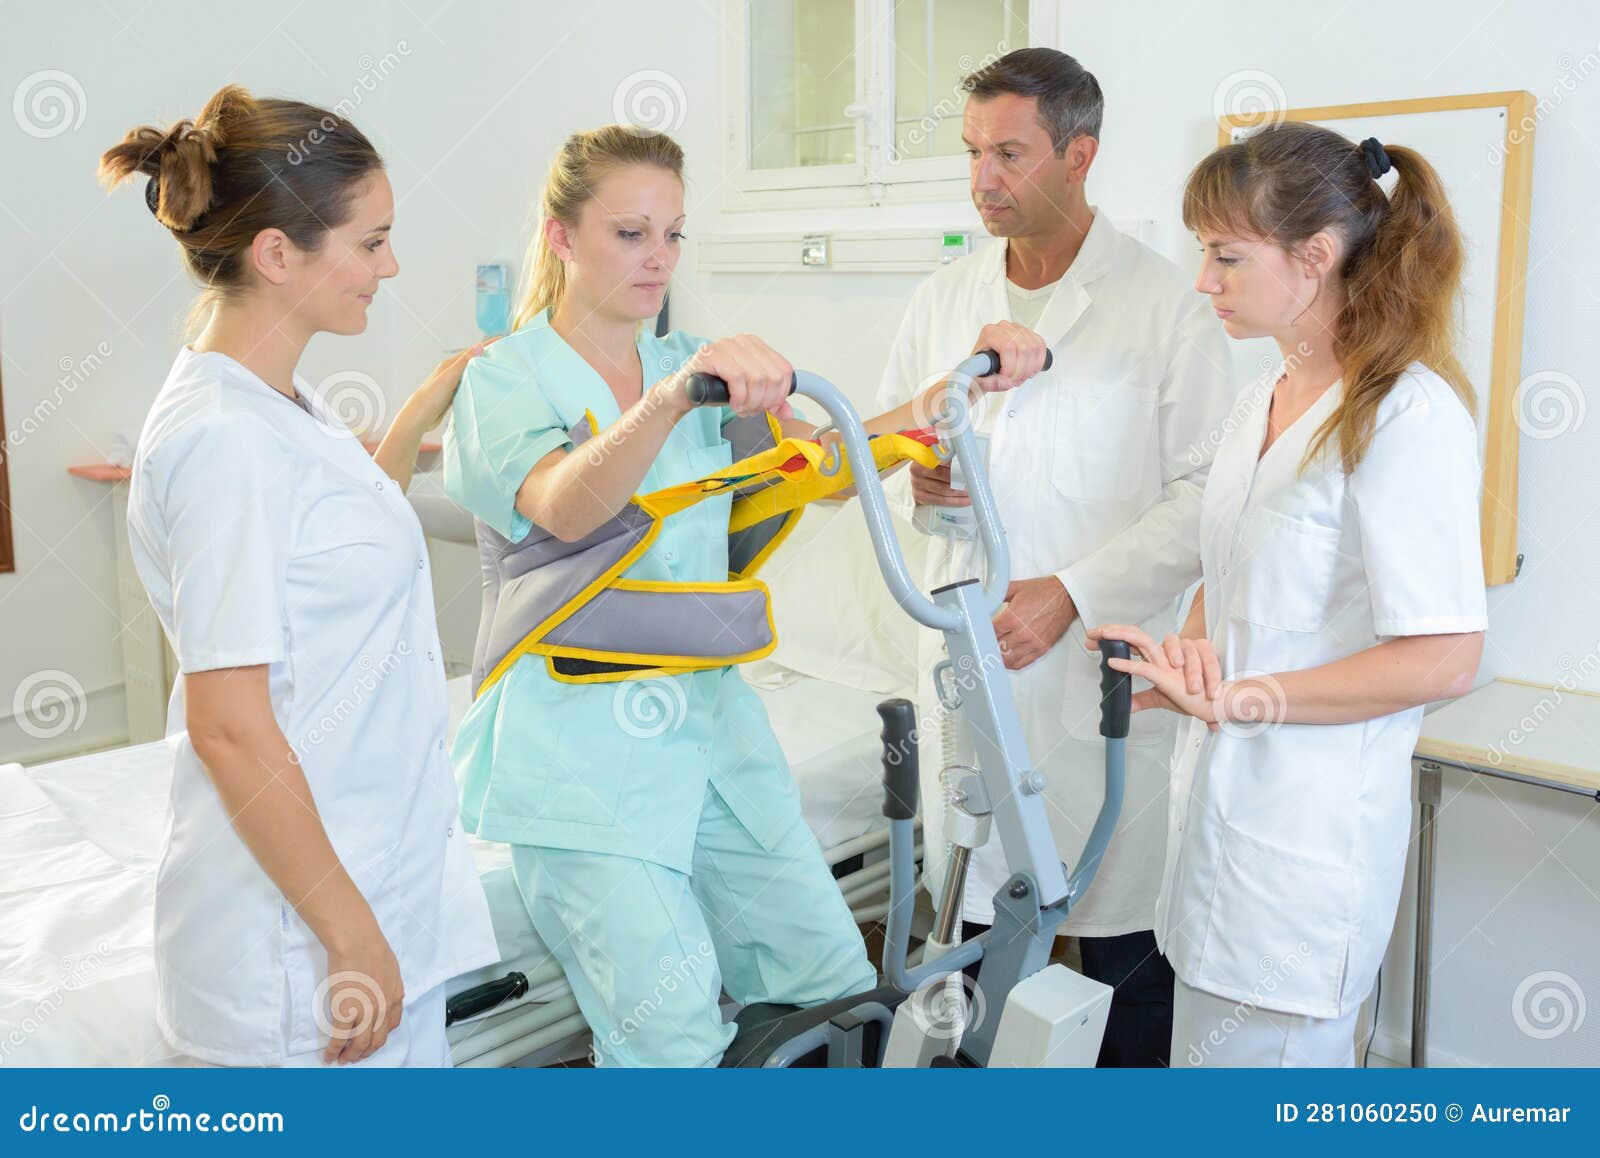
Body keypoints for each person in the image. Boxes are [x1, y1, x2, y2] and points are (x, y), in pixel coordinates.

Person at [443, 124, 1044, 1067]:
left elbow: (832, 463)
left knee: (833, 984)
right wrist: (674, 401)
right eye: (631, 234)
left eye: (674, 235)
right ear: (561, 237)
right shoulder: (503, 378)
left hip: (712, 724)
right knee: (671, 1046)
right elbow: (564, 508)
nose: (659, 258)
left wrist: (949, 388)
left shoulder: (685, 359)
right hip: (578, 756)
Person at [102, 85, 497, 1067]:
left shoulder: (278, 399)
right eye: (370, 242)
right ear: (278, 253)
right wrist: (350, 934)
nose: (390, 265)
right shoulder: (222, 440)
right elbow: (229, 726)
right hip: (294, 955)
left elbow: (333, 545)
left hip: (361, 895)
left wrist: (412, 417)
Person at [1089, 122, 1487, 1067]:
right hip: (1214, 838)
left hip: (1301, 858)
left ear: (1314, 258)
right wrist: (1188, 651)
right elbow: (1225, 573)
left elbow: (1445, 655)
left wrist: (1237, 700)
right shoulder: (1264, 395)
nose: (1203, 281)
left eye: (1226, 257)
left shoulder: (1404, 413)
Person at [875, 47, 1233, 1066]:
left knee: (1125, 953)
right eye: (972, 153)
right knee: (985, 943)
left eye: (1010, 154)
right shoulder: (940, 301)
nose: (983, 178)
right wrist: (922, 484)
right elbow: (891, 461)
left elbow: (1207, 495)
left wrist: (1071, 593)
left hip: (1096, 673)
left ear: (1079, 155)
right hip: (974, 672)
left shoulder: (1167, 307)